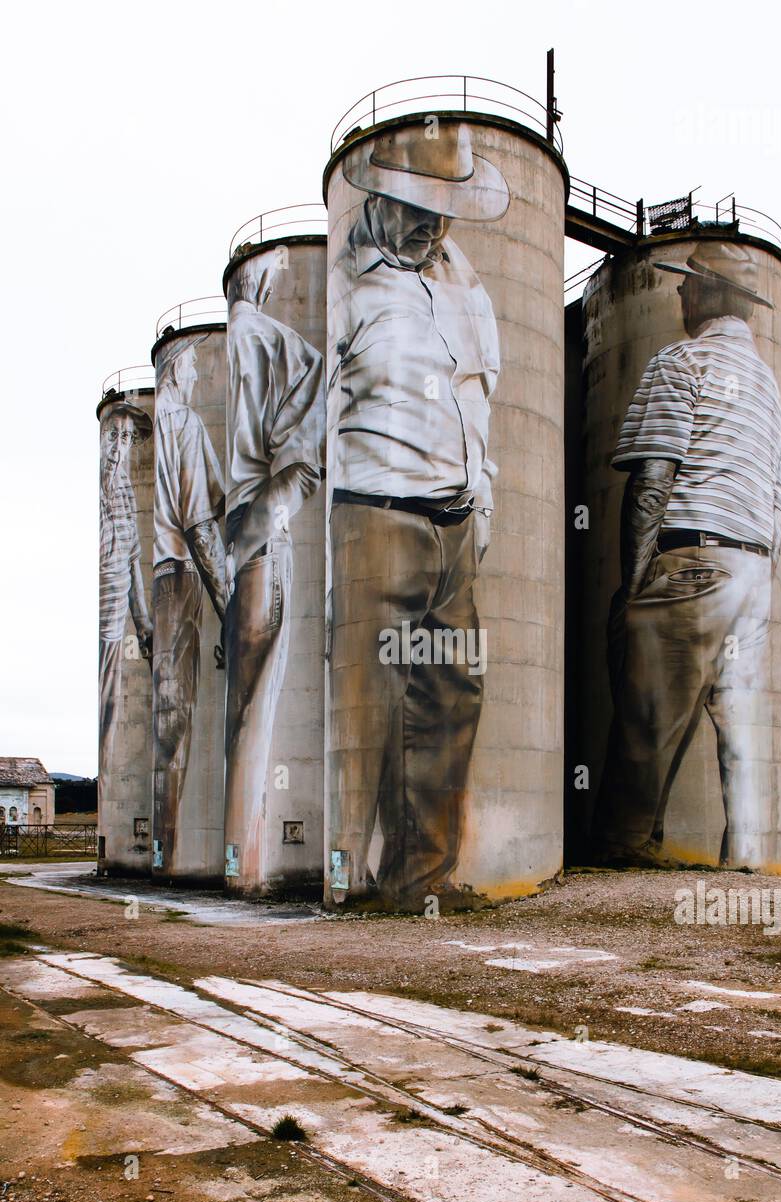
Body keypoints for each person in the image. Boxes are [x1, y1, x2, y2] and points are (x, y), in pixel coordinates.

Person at [327, 120, 509, 909]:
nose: (433, 224)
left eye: (444, 208)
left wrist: (486, 492)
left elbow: (479, 394)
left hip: (455, 522)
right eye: (418, 206)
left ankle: (419, 881)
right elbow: (313, 417)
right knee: (365, 705)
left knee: (449, 694)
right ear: (377, 195)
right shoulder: (344, 288)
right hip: (375, 514)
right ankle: (342, 877)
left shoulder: (461, 282)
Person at [593, 242, 781, 869]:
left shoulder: (682, 360)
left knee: (648, 713)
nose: (678, 294)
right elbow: (778, 500)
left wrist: (637, 580)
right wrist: (760, 574)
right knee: (740, 728)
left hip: (694, 557)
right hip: (755, 569)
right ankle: (749, 862)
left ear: (706, 293)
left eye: (687, 285)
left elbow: (653, 476)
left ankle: (624, 848)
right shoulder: (768, 389)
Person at [223, 250, 324, 889]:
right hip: (266, 550)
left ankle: (241, 862)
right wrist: (271, 530)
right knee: (259, 729)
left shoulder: (237, 341)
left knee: (240, 728)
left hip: (242, 559)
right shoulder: (281, 345)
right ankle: (256, 864)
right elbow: (303, 467)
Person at [151, 333, 226, 873]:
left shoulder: (161, 425)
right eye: (195, 369)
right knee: (176, 729)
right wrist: (230, 605)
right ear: (175, 372)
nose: (200, 378)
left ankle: (166, 852)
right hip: (181, 578)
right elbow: (202, 523)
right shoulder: (184, 422)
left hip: (160, 580)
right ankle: (175, 854)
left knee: (166, 724)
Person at [98, 398, 153, 777]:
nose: (119, 446)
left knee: (115, 703)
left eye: (126, 439)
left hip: (121, 623)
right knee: (108, 707)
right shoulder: (101, 492)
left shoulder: (125, 489)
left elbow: (134, 555)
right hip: (104, 626)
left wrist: (144, 621)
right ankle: (111, 774)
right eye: (114, 435)